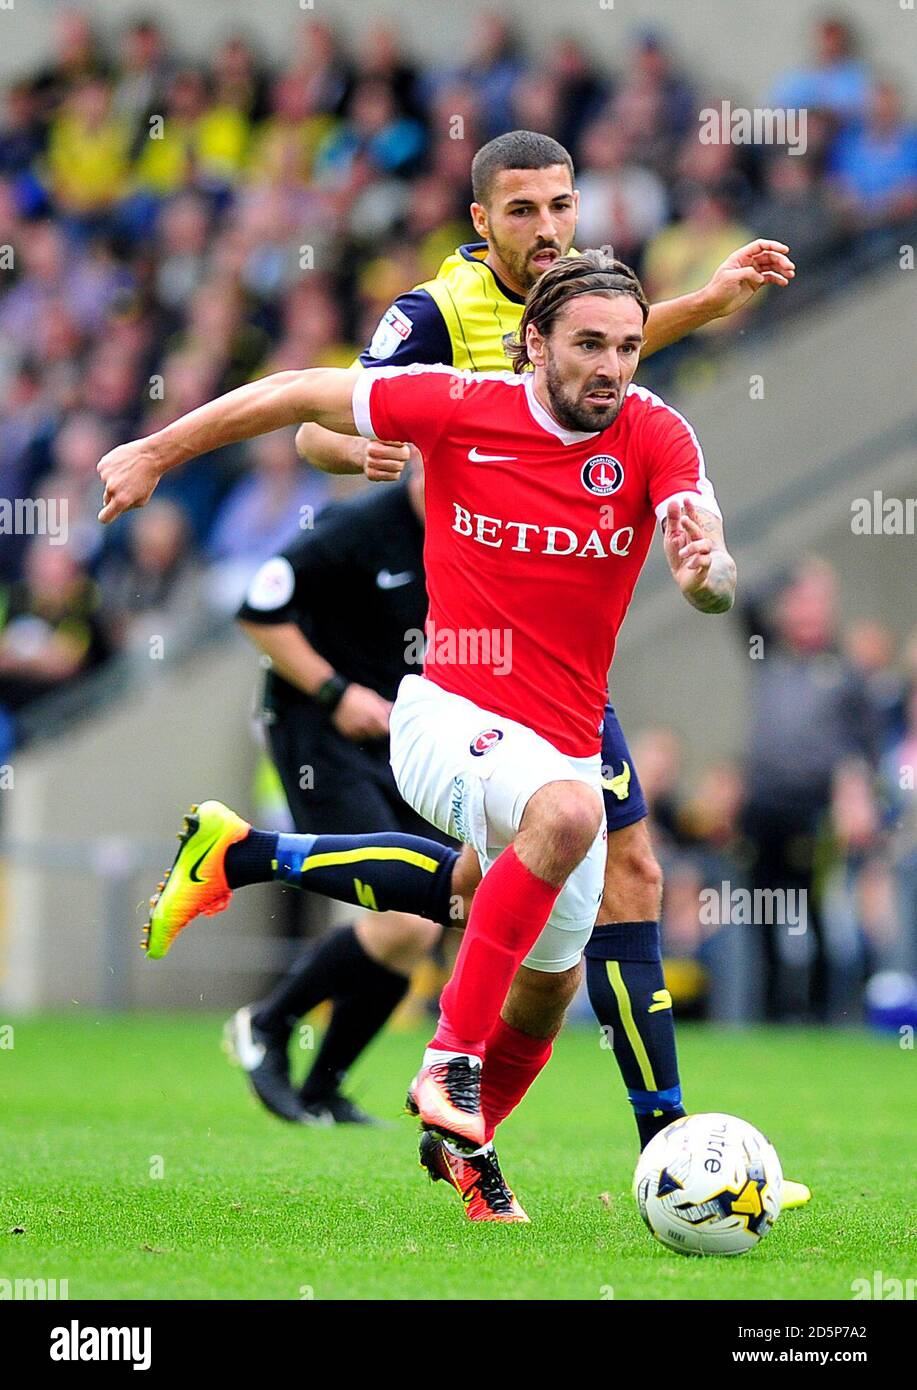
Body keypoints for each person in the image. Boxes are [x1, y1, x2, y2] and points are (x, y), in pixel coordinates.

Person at [98, 249, 744, 1222]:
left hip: (561, 734)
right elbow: (292, 393)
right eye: (587, 344)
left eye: (623, 345)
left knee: (544, 976)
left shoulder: (654, 432)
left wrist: (707, 576)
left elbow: (703, 552)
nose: (610, 366)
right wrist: (155, 451)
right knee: (567, 818)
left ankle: (463, 1147)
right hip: (447, 713)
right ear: (533, 343)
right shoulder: (457, 404)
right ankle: (448, 1065)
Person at [228, 463, 465, 1125]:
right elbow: (257, 607)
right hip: (319, 730)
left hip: (401, 737)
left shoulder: (467, 535)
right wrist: (334, 691)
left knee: (432, 910)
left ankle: (320, 1089)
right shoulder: (360, 526)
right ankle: (267, 1024)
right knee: (406, 916)